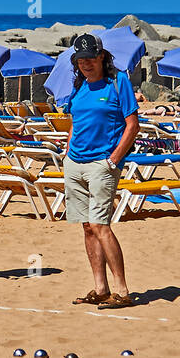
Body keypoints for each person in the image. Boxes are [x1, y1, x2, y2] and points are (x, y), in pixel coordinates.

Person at [60, 33, 140, 309]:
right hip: (74, 163)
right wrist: (67, 152)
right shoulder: (79, 85)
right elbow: (75, 121)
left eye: (90, 58)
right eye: (81, 59)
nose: (86, 63)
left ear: (102, 56)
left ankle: (123, 290)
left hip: (101, 164)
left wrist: (114, 159)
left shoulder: (118, 82)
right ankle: (100, 287)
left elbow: (132, 125)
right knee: (86, 227)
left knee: (100, 225)